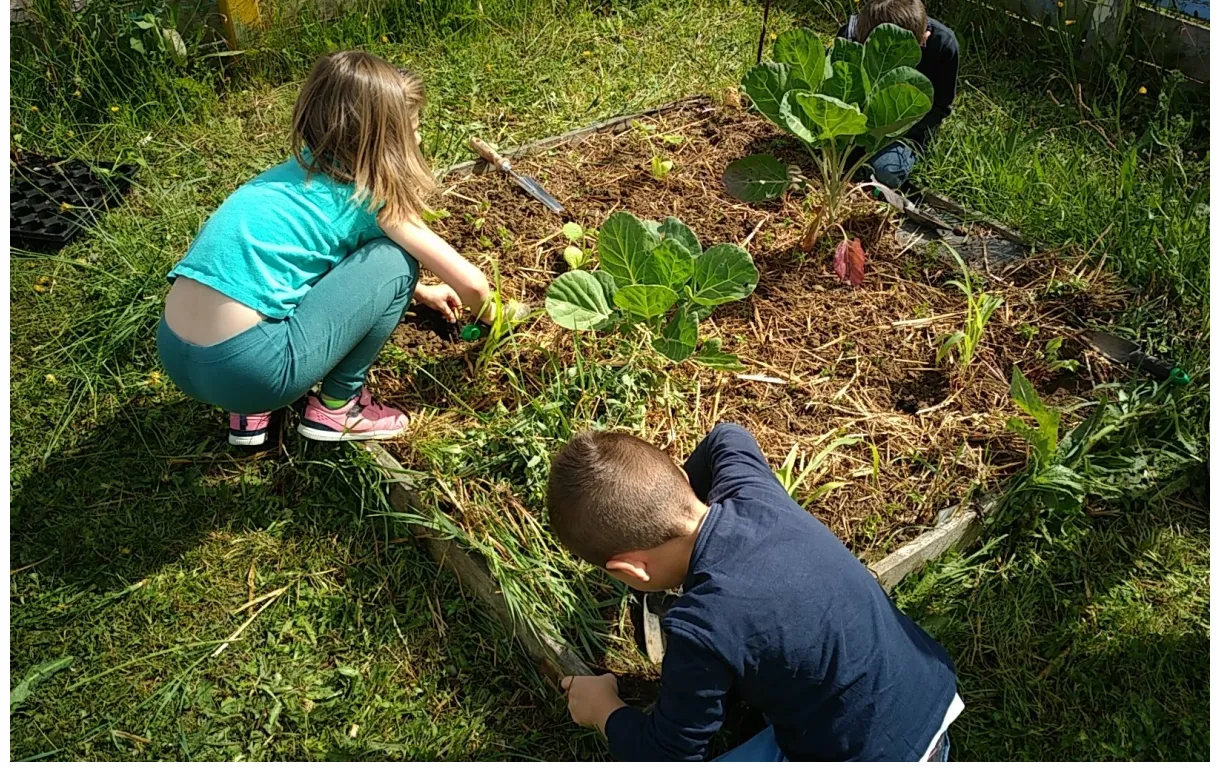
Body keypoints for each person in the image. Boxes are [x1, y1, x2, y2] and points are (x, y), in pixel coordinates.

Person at [548, 423, 963, 761]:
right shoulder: (750, 487)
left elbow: (668, 753)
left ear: (632, 569)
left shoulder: (701, 629)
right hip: (932, 700)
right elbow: (727, 436)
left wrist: (603, 710)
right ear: (678, 475)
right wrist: (665, 499)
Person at [158, 51, 497, 446]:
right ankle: (339, 407)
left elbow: (316, 263)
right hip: (249, 368)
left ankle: (249, 415)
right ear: (385, 142)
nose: (419, 139)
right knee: (398, 259)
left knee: (281, 274)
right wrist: (500, 318)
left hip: (174, 351)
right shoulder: (373, 198)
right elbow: (473, 287)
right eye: (414, 129)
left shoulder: (295, 173)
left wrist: (421, 295)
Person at [839, 0, 959, 189]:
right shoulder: (851, 34)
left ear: (924, 38)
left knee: (886, 171)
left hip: (904, 130)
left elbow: (939, 107)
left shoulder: (943, 46)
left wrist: (888, 130)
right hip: (854, 120)